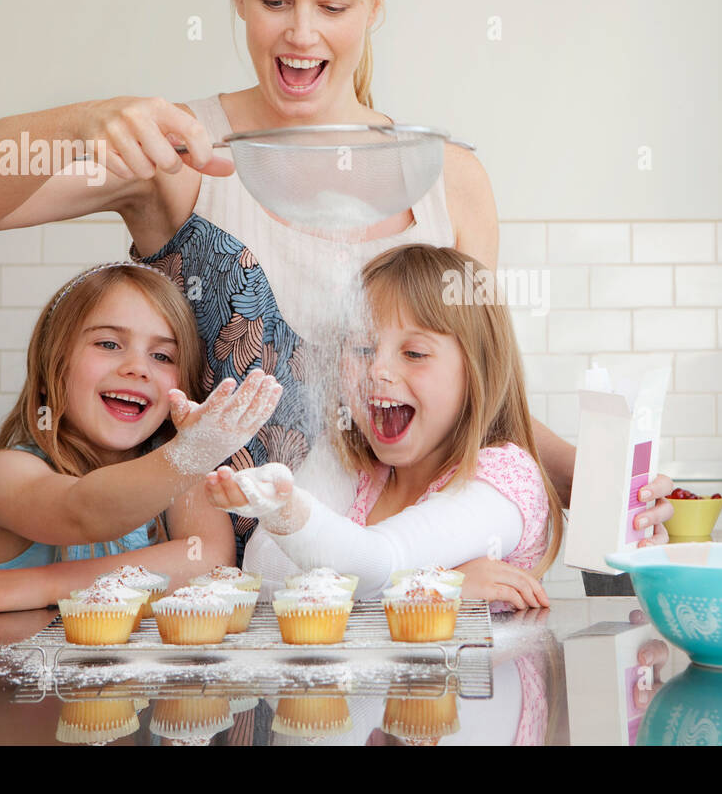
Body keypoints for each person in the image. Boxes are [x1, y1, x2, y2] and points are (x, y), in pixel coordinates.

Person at [0, 0, 673, 599]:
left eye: (333, 4)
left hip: (416, 594)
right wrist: (91, 118)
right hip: (228, 600)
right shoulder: (180, 151)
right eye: (275, 0)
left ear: (378, 2)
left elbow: (475, 394)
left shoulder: (453, 182)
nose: (301, 34)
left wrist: (609, 483)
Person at [0, 263, 282, 616]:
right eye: (108, 344)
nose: (137, 367)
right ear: (50, 369)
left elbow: (209, 560)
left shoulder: (179, 474)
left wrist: (46, 585)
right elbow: (81, 512)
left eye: (162, 355)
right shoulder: (4, 473)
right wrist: (191, 453)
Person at [205, 246, 562, 609]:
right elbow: (264, 571)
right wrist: (432, 586)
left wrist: (284, 510)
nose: (377, 370)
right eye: (362, 349)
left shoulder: (505, 483)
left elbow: (379, 562)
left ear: (478, 371)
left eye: (414, 354)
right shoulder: (353, 460)